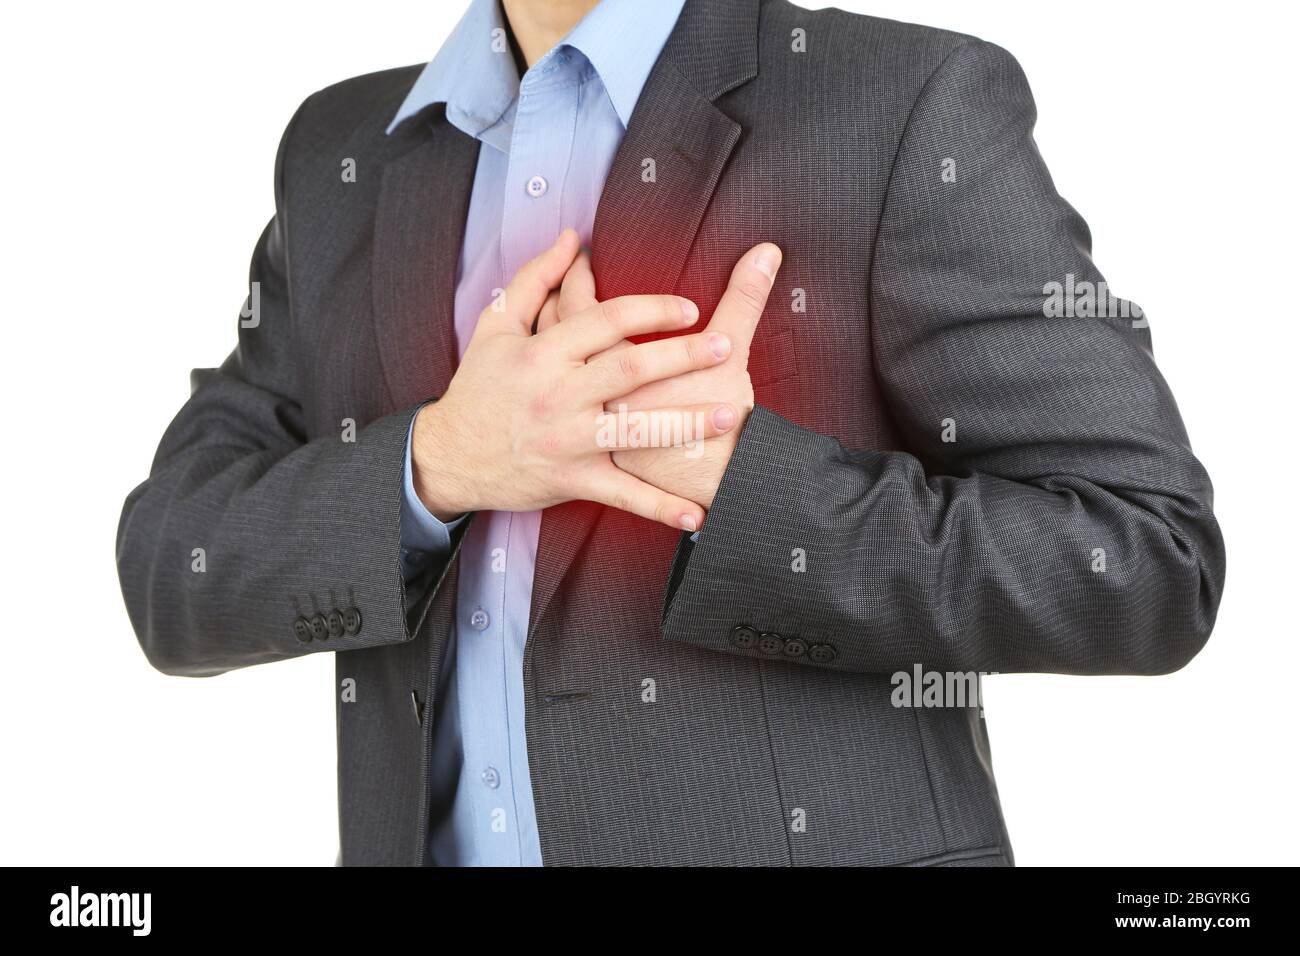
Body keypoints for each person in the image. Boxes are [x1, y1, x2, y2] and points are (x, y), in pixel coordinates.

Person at [117, 0, 1226, 866]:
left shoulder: (903, 103)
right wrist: (439, 462)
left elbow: (1143, 557)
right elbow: (177, 568)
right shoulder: (339, 152)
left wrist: (751, 496)